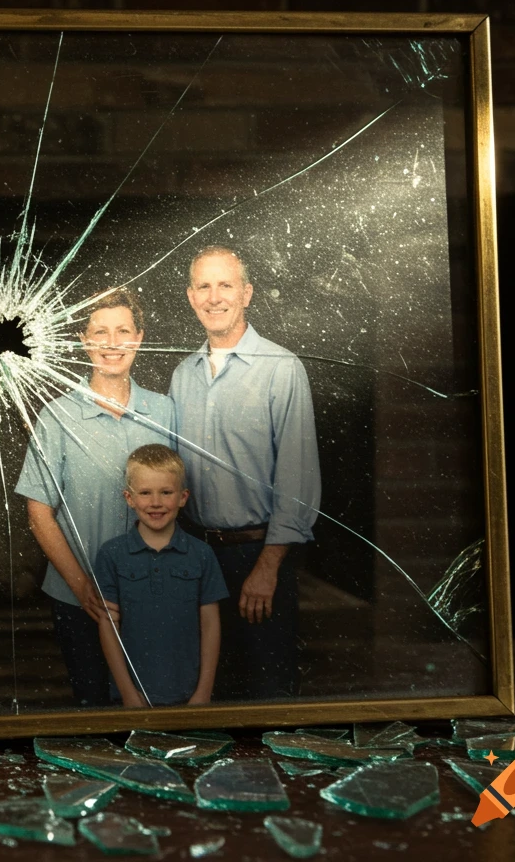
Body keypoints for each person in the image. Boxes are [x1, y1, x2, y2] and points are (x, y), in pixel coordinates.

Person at [169, 246, 321, 701]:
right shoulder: (183, 375)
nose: (215, 297)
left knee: (267, 695)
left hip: (259, 557)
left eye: (226, 285)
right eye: (204, 286)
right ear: (191, 297)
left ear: (247, 293)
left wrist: (267, 568)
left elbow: (298, 482)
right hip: (196, 556)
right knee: (207, 692)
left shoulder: (281, 369)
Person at [14, 288, 177, 707]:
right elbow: (38, 512)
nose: (111, 343)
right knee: (94, 706)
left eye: (122, 331)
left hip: (154, 593)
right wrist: (82, 585)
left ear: (139, 338)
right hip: (80, 597)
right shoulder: (56, 417)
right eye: (99, 332)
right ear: (84, 342)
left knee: (153, 703)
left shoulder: (165, 412)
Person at [94, 444, 227, 707]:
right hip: (132, 697)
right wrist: (130, 696)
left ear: (183, 497)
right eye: (145, 493)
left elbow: (211, 625)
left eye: (166, 492)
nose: (156, 502)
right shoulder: (111, 554)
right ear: (129, 498)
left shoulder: (201, 554)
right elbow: (108, 626)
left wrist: (203, 694)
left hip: (190, 695)